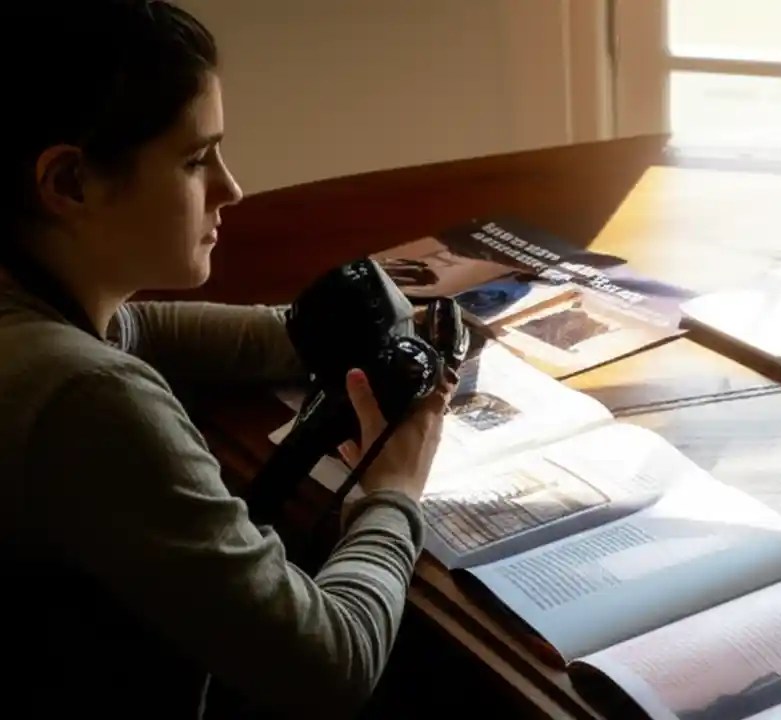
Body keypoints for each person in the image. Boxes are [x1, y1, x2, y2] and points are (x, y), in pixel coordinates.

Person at [0, 2, 456, 718]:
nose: (230, 188)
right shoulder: (84, 398)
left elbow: (137, 328)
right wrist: (393, 491)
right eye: (194, 159)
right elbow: (330, 667)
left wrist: (315, 335)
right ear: (68, 183)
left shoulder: (29, 306)